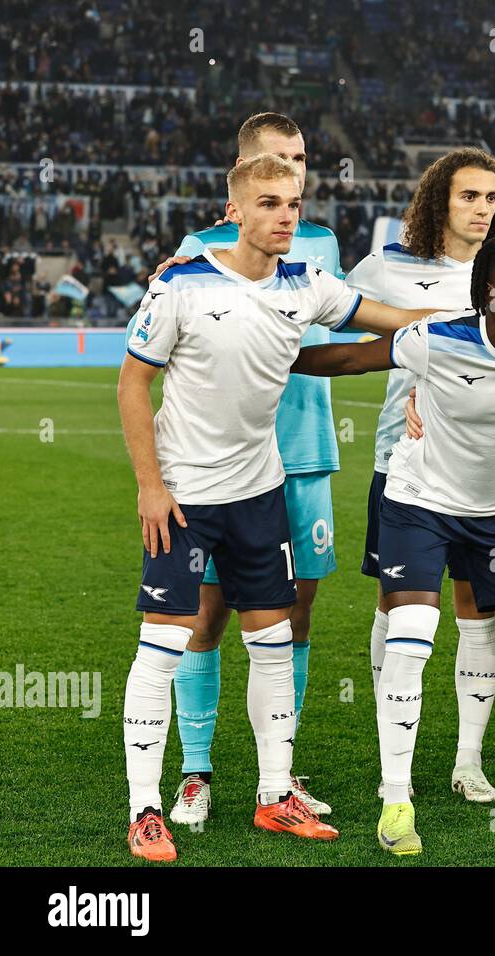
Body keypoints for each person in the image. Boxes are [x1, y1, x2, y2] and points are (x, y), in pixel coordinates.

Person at [119, 154, 437, 861]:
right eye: (268, 203)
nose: (285, 215)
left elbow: (395, 323)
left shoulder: (306, 283)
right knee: (166, 643)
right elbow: (133, 385)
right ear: (234, 214)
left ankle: (274, 795)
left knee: (272, 641)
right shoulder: (182, 284)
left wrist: (485, 321)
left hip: (260, 492)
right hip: (186, 498)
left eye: (293, 202)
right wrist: (150, 484)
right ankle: (145, 808)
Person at [290, 237, 495, 852]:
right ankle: (395, 803)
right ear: (491, 295)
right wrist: (267, 358)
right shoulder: (438, 340)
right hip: (419, 502)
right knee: (413, 633)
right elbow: (352, 361)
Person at [146, 112, 342, 824]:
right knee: (204, 613)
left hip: (306, 447)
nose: (293, 172)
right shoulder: (199, 252)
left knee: (293, 612)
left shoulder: (318, 242)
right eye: (277, 162)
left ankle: (277, 770)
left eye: (299, 159)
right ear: (243, 176)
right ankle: (196, 770)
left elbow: (326, 332)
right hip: (218, 465)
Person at [345, 147, 495, 804]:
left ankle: (468, 761)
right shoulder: (390, 266)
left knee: (480, 611)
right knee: (399, 607)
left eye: (491, 198)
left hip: (484, 476)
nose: (482, 209)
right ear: (438, 200)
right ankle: (398, 753)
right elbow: (320, 299)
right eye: (469, 196)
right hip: (403, 470)